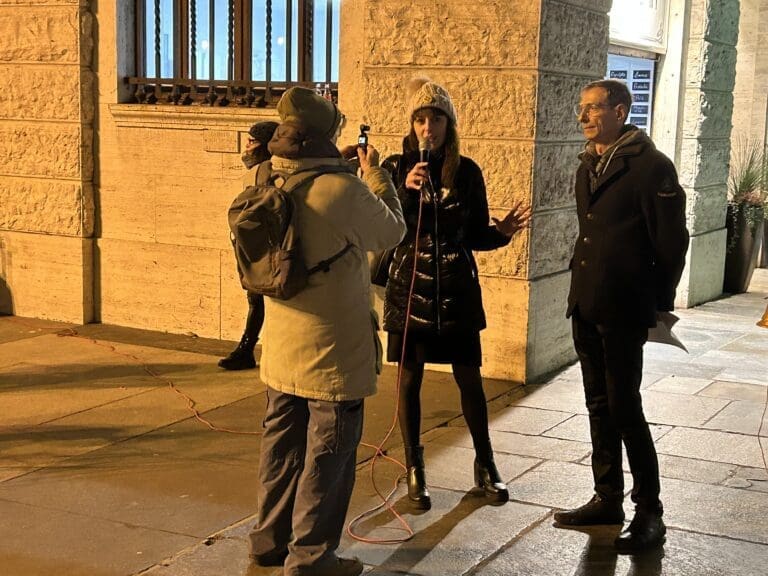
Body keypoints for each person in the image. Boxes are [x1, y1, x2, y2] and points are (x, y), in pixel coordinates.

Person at [247, 87, 406, 576]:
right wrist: (375, 175)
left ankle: (268, 540)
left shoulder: (267, 177)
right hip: (332, 354)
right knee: (327, 458)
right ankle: (312, 557)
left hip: (281, 346)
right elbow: (391, 232)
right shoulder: (343, 189)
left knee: (281, 448)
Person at [382, 78, 530, 510]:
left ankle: (485, 463)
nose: (429, 127)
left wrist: (500, 233)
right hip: (411, 288)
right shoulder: (396, 168)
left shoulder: (467, 172)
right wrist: (406, 193)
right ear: (412, 125)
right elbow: (390, 228)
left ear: (450, 124)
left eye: (437, 118)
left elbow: (475, 235)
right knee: (410, 380)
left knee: (470, 379)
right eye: (421, 119)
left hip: (457, 293)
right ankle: (415, 468)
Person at [554, 79, 689, 553]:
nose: (583, 117)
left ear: (620, 110)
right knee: (597, 405)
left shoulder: (651, 167)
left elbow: (672, 242)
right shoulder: (587, 164)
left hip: (625, 305)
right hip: (587, 302)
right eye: (581, 109)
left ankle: (649, 511)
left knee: (625, 408)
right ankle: (607, 497)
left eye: (592, 109)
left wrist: (658, 302)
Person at [218, 121, 279, 371]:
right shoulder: (260, 171)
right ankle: (247, 348)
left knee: (258, 298)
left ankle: (247, 348)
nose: (246, 147)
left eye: (252, 142)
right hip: (257, 245)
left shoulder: (265, 171)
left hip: (263, 247)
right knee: (256, 299)